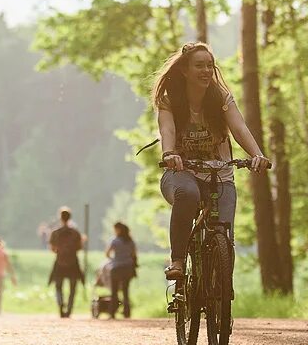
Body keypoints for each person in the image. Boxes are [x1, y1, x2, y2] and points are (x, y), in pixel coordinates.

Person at [153, 41, 270, 280]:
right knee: (188, 195)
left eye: (210, 66)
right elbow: (168, 131)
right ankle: (177, 260)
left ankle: (221, 290)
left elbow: (240, 129)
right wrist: (169, 154)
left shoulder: (221, 98)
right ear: (185, 70)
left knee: (225, 236)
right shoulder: (170, 100)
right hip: (180, 172)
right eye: (199, 66)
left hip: (220, 175)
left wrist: (257, 155)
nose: (206, 71)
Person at [48, 207, 85, 317]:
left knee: (58, 286)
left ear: (60, 218)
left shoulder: (55, 233)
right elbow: (79, 248)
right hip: (73, 263)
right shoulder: (76, 233)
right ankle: (69, 310)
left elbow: (53, 249)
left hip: (59, 263)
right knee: (73, 287)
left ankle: (60, 305)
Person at [105, 222, 138, 317]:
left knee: (114, 291)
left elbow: (107, 253)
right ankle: (127, 312)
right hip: (128, 268)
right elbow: (134, 255)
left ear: (118, 230)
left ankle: (112, 311)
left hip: (116, 268)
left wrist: (113, 260)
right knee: (125, 290)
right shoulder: (130, 241)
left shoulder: (114, 241)